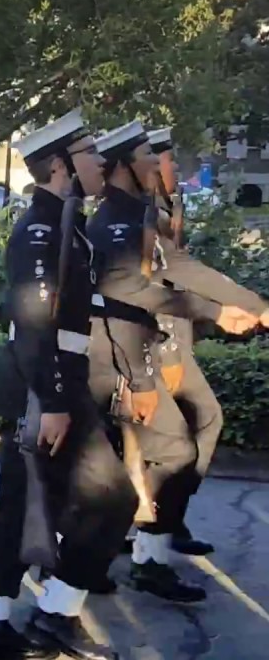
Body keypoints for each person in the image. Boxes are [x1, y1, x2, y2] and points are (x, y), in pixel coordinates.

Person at [0, 110, 138, 660]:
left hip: (62, 387)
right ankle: (13, 625)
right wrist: (56, 402)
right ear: (62, 164)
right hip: (46, 390)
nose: (100, 162)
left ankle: (35, 620)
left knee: (43, 505)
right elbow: (35, 329)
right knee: (85, 502)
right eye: (90, 152)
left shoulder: (68, 226)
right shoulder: (40, 231)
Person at [87, 121, 260, 604]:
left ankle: (142, 545)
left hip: (149, 345)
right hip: (121, 356)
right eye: (149, 156)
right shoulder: (113, 222)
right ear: (124, 165)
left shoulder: (139, 212)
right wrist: (211, 315)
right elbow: (128, 294)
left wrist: (254, 306)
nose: (161, 165)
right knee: (140, 460)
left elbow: (180, 268)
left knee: (172, 449)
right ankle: (108, 553)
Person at [145, 127, 269, 557]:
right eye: (166, 159)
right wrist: (242, 306)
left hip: (175, 335)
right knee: (177, 436)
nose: (174, 166)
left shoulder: (168, 203)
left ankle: (164, 518)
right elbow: (176, 274)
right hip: (152, 342)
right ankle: (149, 530)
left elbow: (182, 268)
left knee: (198, 427)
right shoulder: (140, 214)